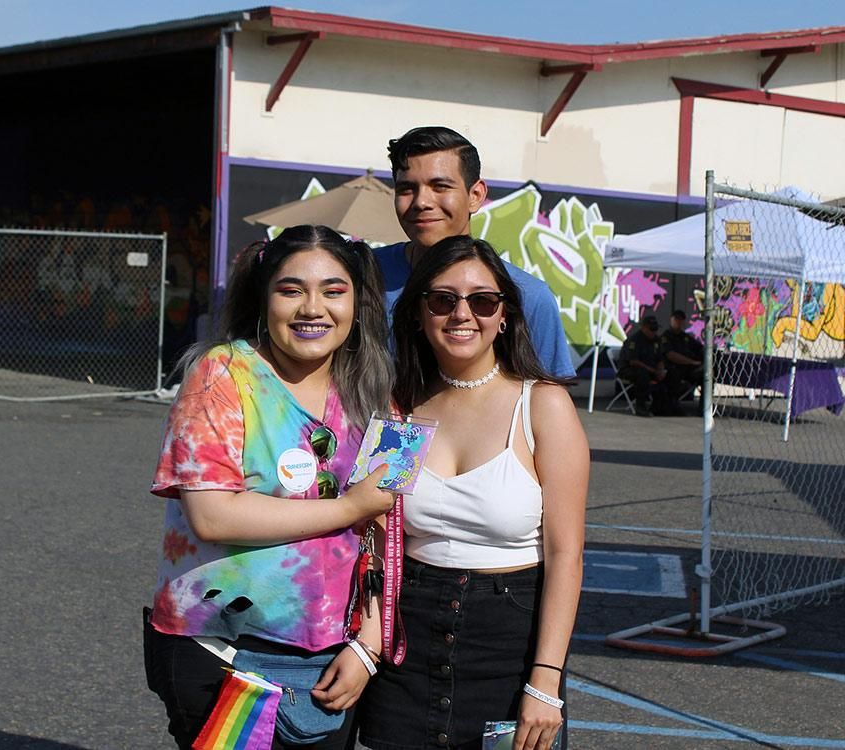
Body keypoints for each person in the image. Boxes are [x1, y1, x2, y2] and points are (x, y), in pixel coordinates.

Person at [144, 225, 397, 749]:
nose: (312, 308)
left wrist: (369, 645)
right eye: (291, 290)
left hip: (334, 657)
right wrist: (349, 505)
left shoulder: (381, 391)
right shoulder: (221, 374)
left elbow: (389, 525)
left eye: (333, 290)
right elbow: (213, 516)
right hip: (221, 650)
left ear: (357, 302)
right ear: (263, 297)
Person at [359, 236, 589, 750]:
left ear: (504, 315)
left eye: (482, 301)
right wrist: (366, 646)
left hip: (508, 642)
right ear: (418, 313)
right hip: (406, 642)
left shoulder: (543, 406)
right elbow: (374, 532)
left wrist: (546, 680)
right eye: (443, 299)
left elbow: (566, 554)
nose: (463, 314)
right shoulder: (400, 407)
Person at [375, 125, 575, 379]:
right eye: (406, 189)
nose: (421, 202)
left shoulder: (528, 297)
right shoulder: (363, 277)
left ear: (476, 195)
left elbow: (548, 406)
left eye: (440, 187)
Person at [617, 314, 676, 417]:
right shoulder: (634, 340)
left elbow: (660, 357)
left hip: (651, 369)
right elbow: (633, 361)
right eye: (651, 329)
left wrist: (661, 370)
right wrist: (653, 371)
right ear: (643, 327)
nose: (654, 332)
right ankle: (641, 406)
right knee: (642, 375)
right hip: (630, 370)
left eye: (655, 329)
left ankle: (666, 406)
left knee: (672, 373)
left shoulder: (656, 340)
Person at [660, 309, 704, 404]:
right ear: (671, 320)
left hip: (688, 370)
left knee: (705, 376)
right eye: (676, 319)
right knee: (673, 375)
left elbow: (700, 348)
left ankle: (705, 407)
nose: (678, 322)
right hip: (672, 369)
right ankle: (673, 405)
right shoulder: (665, 337)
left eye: (681, 320)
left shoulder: (685, 337)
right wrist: (691, 362)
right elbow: (671, 355)